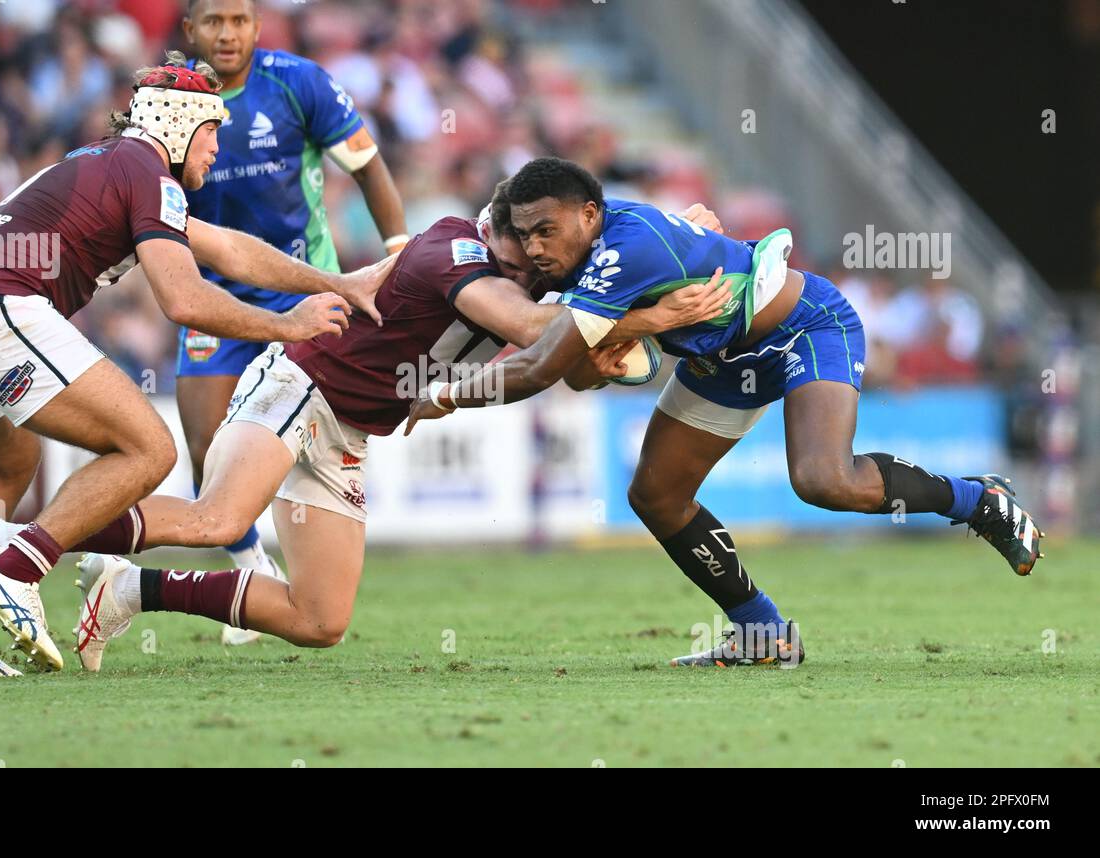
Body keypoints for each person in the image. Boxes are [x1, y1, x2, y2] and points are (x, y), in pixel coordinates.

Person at [404, 157, 1043, 668]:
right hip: (723, 360)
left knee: (824, 480)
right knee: (656, 496)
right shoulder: (579, 257)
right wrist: (637, 328)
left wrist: (447, 394)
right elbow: (578, 374)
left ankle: (978, 499)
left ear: (589, 214)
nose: (535, 250)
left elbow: (543, 368)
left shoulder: (625, 252)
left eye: (546, 231)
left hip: (803, 326)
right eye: (525, 236)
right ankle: (764, 633)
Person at [66, 193, 732, 671]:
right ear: (495, 231)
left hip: (347, 433)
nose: (530, 273)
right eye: (519, 261)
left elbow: (571, 367)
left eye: (536, 264)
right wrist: (651, 316)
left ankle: (128, 590)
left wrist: (657, 271)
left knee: (318, 621)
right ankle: (27, 543)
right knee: (218, 519)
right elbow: (536, 332)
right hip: (303, 388)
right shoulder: (454, 250)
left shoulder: (527, 271)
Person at [0, 54, 389, 677]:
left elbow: (230, 251)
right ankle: (13, 567)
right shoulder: (150, 173)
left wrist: (335, 282)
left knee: (12, 463)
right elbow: (185, 301)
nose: (218, 147)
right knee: (150, 449)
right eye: (212, 129)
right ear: (178, 124)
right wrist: (288, 325)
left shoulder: (116, 163)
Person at [173, 0, 409, 647]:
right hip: (211, 298)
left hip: (308, 291)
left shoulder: (298, 83)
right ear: (190, 29)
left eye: (239, 20)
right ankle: (252, 567)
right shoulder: (173, 100)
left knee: (324, 436)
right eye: (213, 21)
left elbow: (367, 165)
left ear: (257, 26)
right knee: (204, 446)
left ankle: (320, 567)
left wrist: (398, 252)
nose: (227, 33)